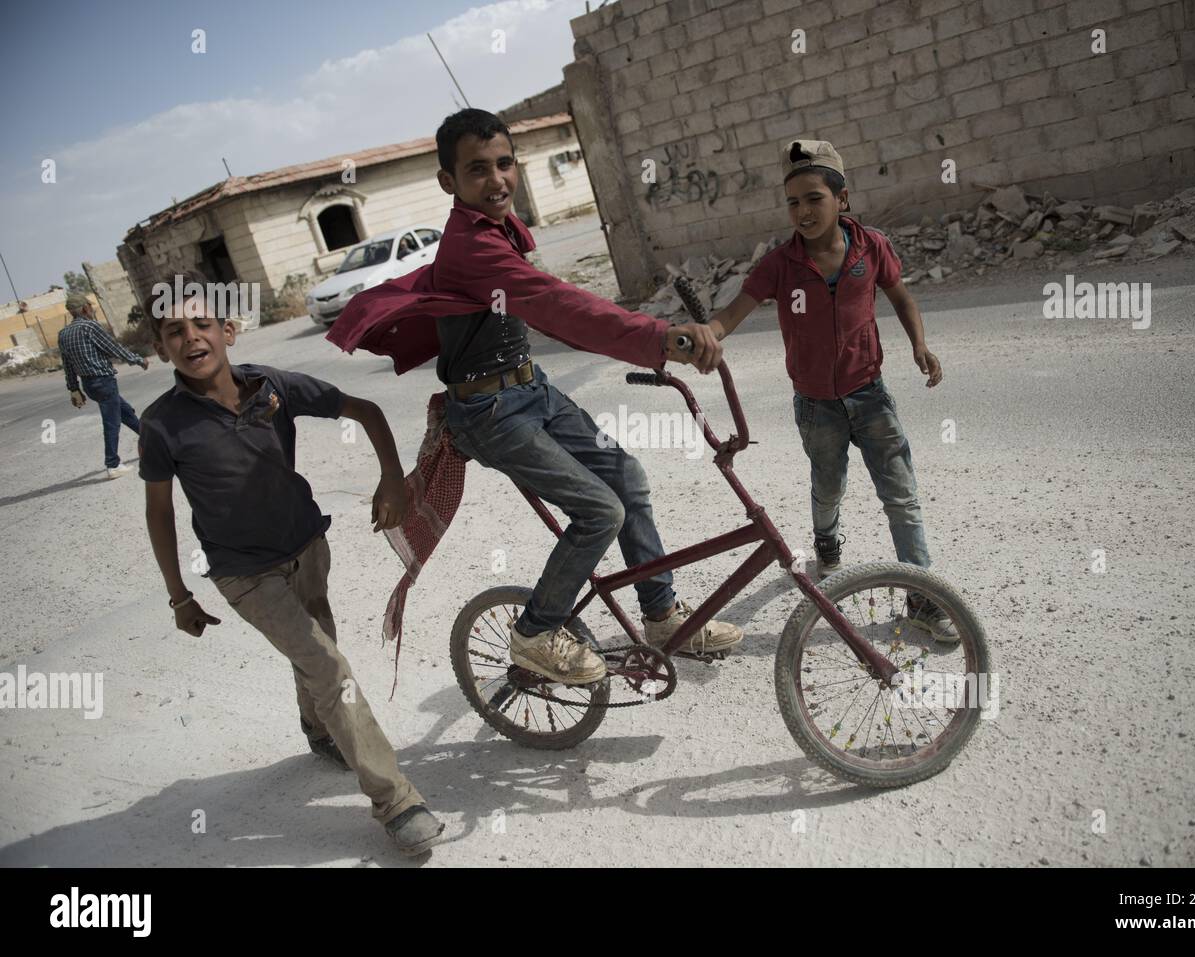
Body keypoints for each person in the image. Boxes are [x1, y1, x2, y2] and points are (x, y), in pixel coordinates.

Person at [328, 108, 743, 686]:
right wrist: (660, 337)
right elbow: (559, 305)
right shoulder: (471, 249)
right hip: (490, 413)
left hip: (532, 392)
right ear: (448, 182)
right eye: (477, 170)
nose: (497, 179)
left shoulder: (497, 228)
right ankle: (534, 631)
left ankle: (660, 616)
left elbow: (552, 311)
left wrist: (649, 336)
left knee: (627, 477)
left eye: (505, 164)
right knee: (600, 510)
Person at [136, 282, 443, 855]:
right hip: (244, 574)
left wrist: (390, 481)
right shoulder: (161, 424)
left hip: (307, 547)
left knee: (318, 641)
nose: (190, 337)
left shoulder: (272, 385)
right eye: (174, 332)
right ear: (161, 350)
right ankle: (397, 802)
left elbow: (367, 410)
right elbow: (160, 512)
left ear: (228, 332)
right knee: (328, 666)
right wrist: (179, 595)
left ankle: (319, 728)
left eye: (201, 324)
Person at [705, 139, 957, 642]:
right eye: (793, 202)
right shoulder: (781, 264)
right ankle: (826, 538)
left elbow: (900, 297)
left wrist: (920, 345)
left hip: (870, 394)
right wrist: (707, 334)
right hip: (816, 405)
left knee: (901, 497)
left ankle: (923, 601)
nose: (802, 211)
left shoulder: (871, 247)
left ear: (842, 199)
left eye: (814, 198)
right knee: (828, 485)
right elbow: (734, 311)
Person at [57, 291, 149, 478]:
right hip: (104, 382)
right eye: (90, 306)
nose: (92, 310)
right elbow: (113, 348)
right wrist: (138, 360)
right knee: (112, 422)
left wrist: (74, 389)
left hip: (89, 385)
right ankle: (112, 464)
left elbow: (67, 364)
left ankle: (152, 442)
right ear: (84, 308)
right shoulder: (89, 326)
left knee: (126, 412)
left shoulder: (64, 334)